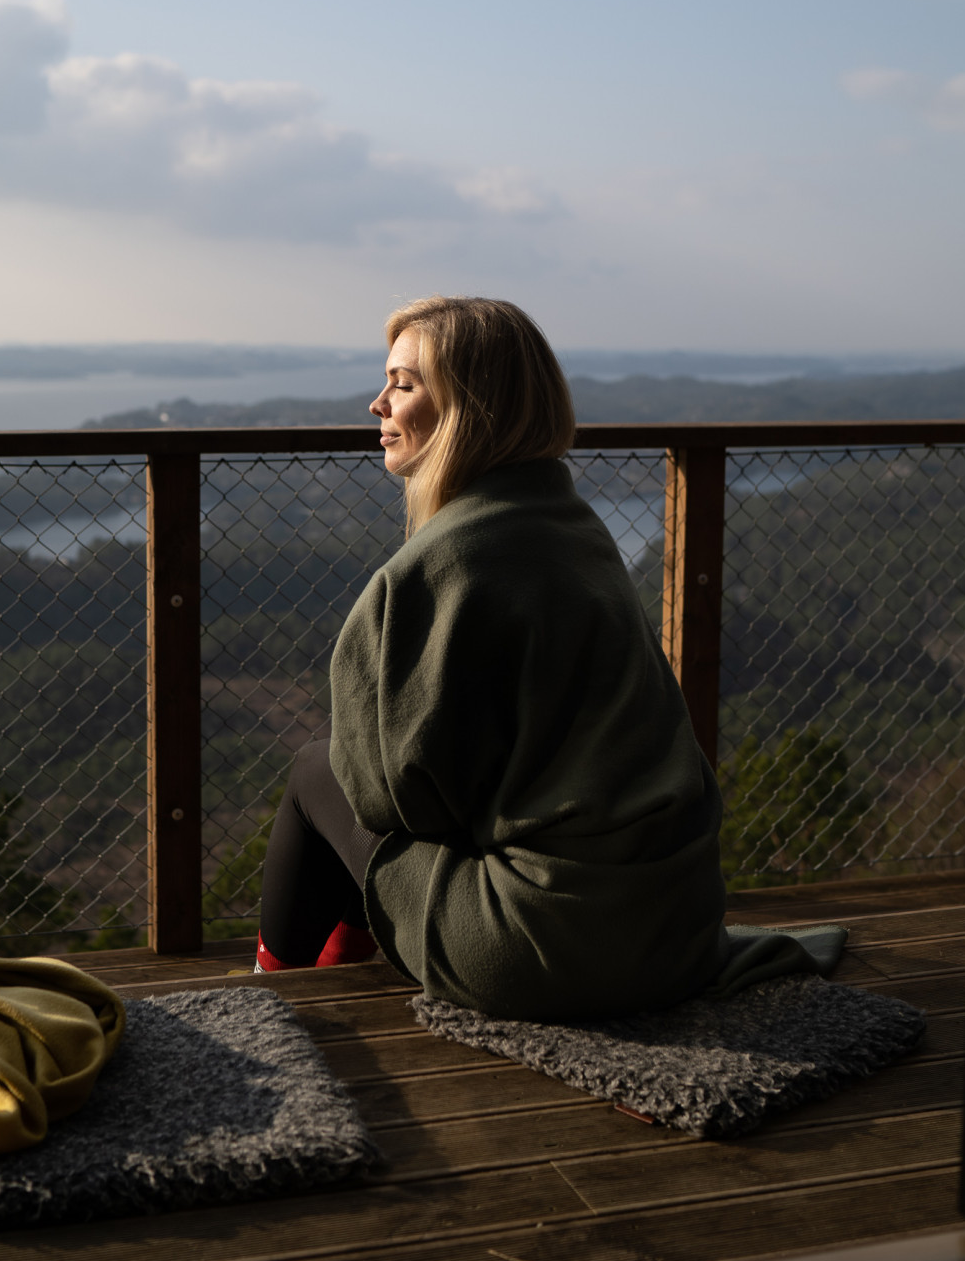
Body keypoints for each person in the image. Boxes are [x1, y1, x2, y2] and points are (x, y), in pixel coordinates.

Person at [254, 297, 752, 1018]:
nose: (377, 404)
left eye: (403, 383)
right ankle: (334, 974)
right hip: (671, 930)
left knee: (314, 769)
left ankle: (272, 999)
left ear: (467, 405)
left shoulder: (446, 564)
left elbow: (388, 799)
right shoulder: (576, 531)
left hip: (550, 943)